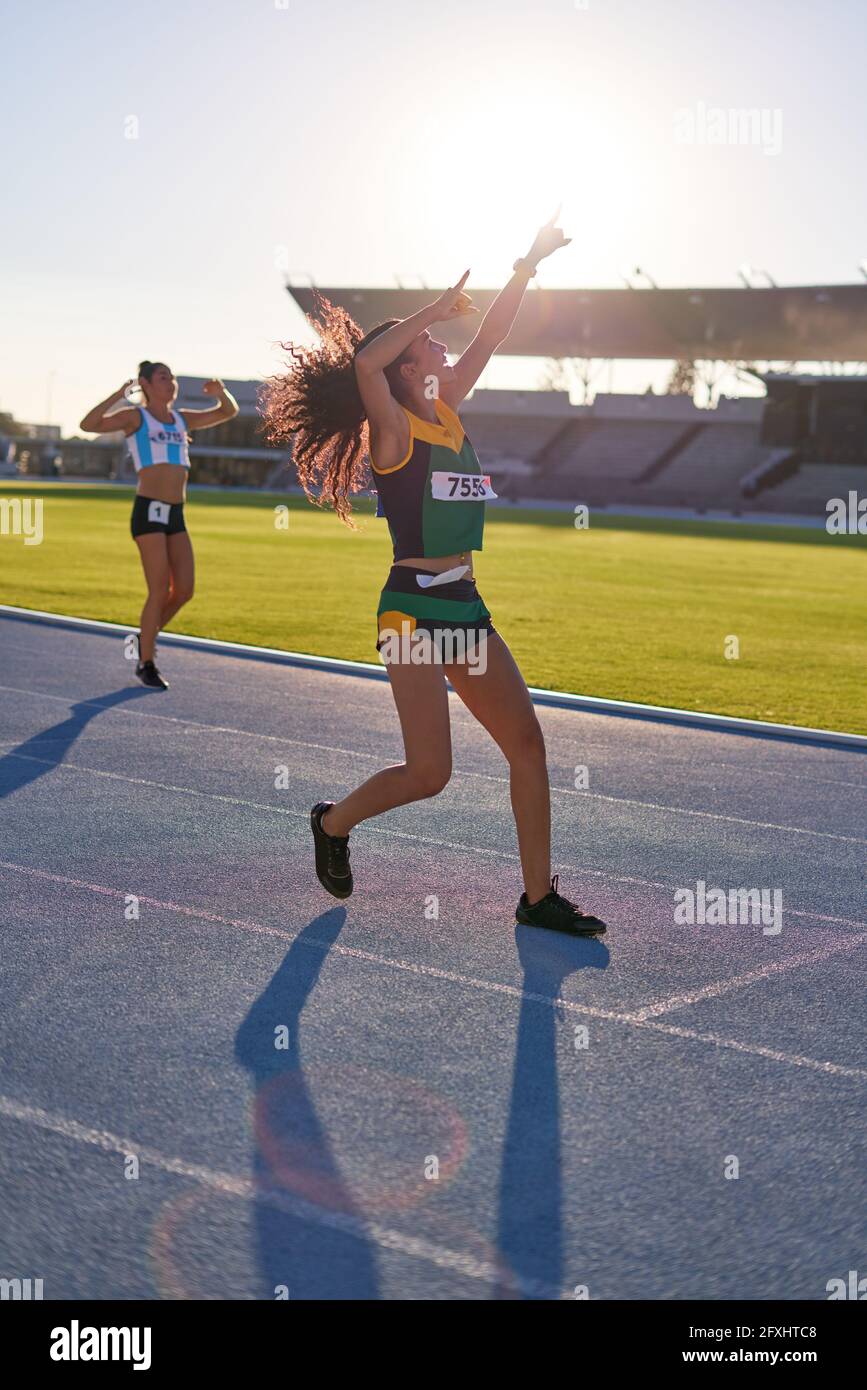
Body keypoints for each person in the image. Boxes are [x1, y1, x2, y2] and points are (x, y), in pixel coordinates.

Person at [263, 215, 606, 936]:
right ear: (402, 361)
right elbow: (363, 366)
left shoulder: (446, 413)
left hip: (465, 608)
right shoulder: (392, 428)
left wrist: (525, 266)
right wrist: (428, 309)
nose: (442, 342)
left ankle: (537, 896)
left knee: (527, 744)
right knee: (429, 774)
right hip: (411, 614)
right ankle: (332, 823)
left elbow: (491, 338)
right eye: (427, 342)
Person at [80, 363, 239, 688]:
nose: (171, 382)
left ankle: (144, 637)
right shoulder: (136, 417)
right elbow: (88, 424)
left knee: (184, 590)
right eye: (163, 377)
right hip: (148, 511)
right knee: (158, 590)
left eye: (173, 377)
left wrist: (220, 391)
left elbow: (227, 411)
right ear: (146, 384)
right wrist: (119, 396)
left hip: (175, 513)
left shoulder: (181, 418)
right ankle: (146, 661)